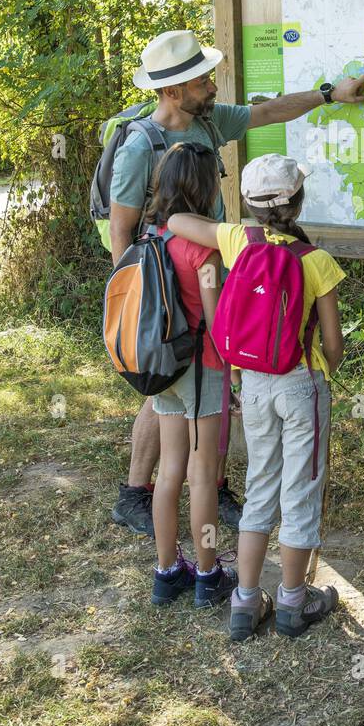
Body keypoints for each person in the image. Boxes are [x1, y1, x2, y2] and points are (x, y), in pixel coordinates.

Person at [108, 29, 364, 537]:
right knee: (166, 379)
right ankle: (137, 491)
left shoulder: (208, 121)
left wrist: (327, 95)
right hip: (165, 288)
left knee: (200, 381)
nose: (209, 84)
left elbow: (268, 111)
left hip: (213, 275)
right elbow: (122, 230)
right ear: (168, 91)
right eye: (198, 78)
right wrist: (143, 309)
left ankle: (205, 484)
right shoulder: (139, 147)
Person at [168, 153, 344, 643]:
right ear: (299, 201)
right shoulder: (317, 262)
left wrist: (223, 220)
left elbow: (178, 220)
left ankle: (246, 600)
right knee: (302, 486)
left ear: (247, 202)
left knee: (261, 483)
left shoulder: (234, 240)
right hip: (301, 384)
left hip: (252, 384)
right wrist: (327, 366)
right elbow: (333, 345)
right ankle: (292, 599)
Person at [144, 142, 239, 607]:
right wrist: (235, 375)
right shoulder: (201, 253)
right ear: (202, 189)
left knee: (169, 471)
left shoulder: (154, 239)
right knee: (203, 475)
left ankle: (167, 571)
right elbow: (216, 321)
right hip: (203, 369)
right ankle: (207, 574)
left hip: (164, 369)